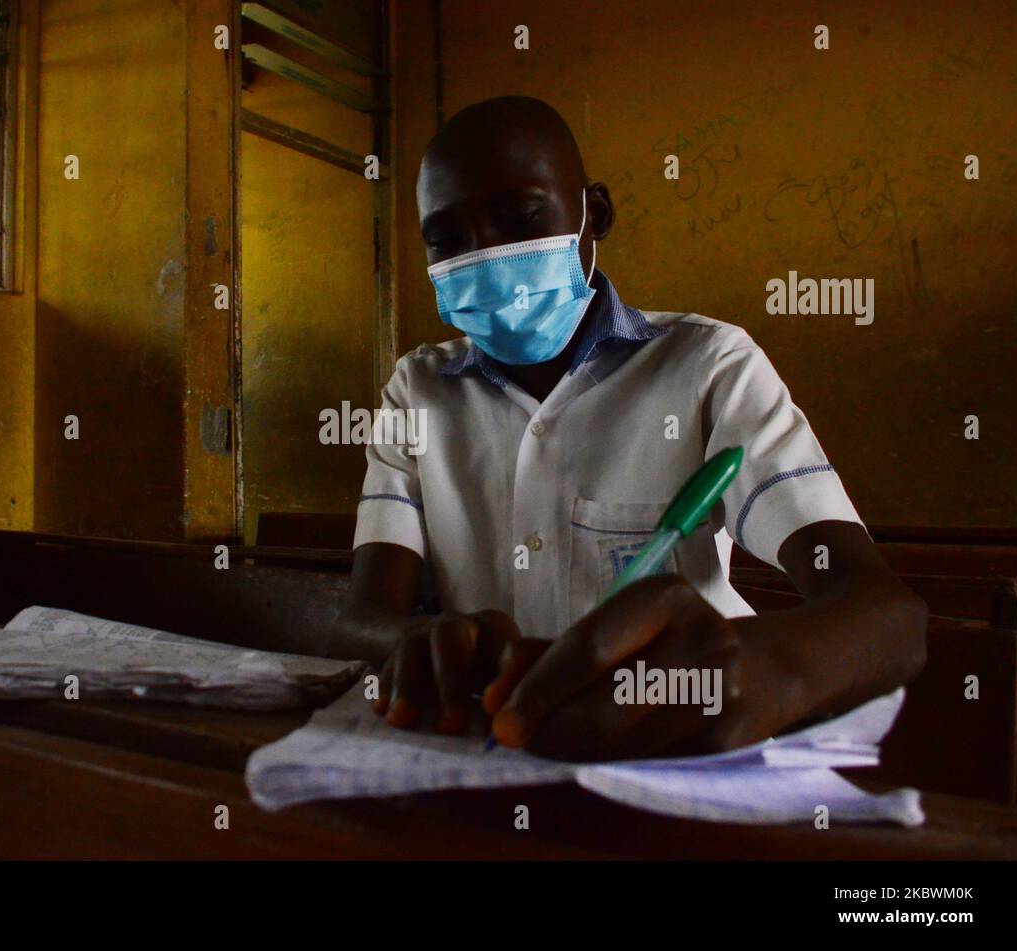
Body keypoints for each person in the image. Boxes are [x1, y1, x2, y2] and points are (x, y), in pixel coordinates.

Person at [332, 96, 926, 760]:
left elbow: (888, 616)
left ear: (596, 215)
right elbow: (364, 617)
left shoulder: (708, 365)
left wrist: (772, 668)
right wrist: (412, 642)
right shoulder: (417, 390)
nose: (487, 257)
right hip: (485, 754)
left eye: (520, 218)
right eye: (446, 239)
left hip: (675, 751)